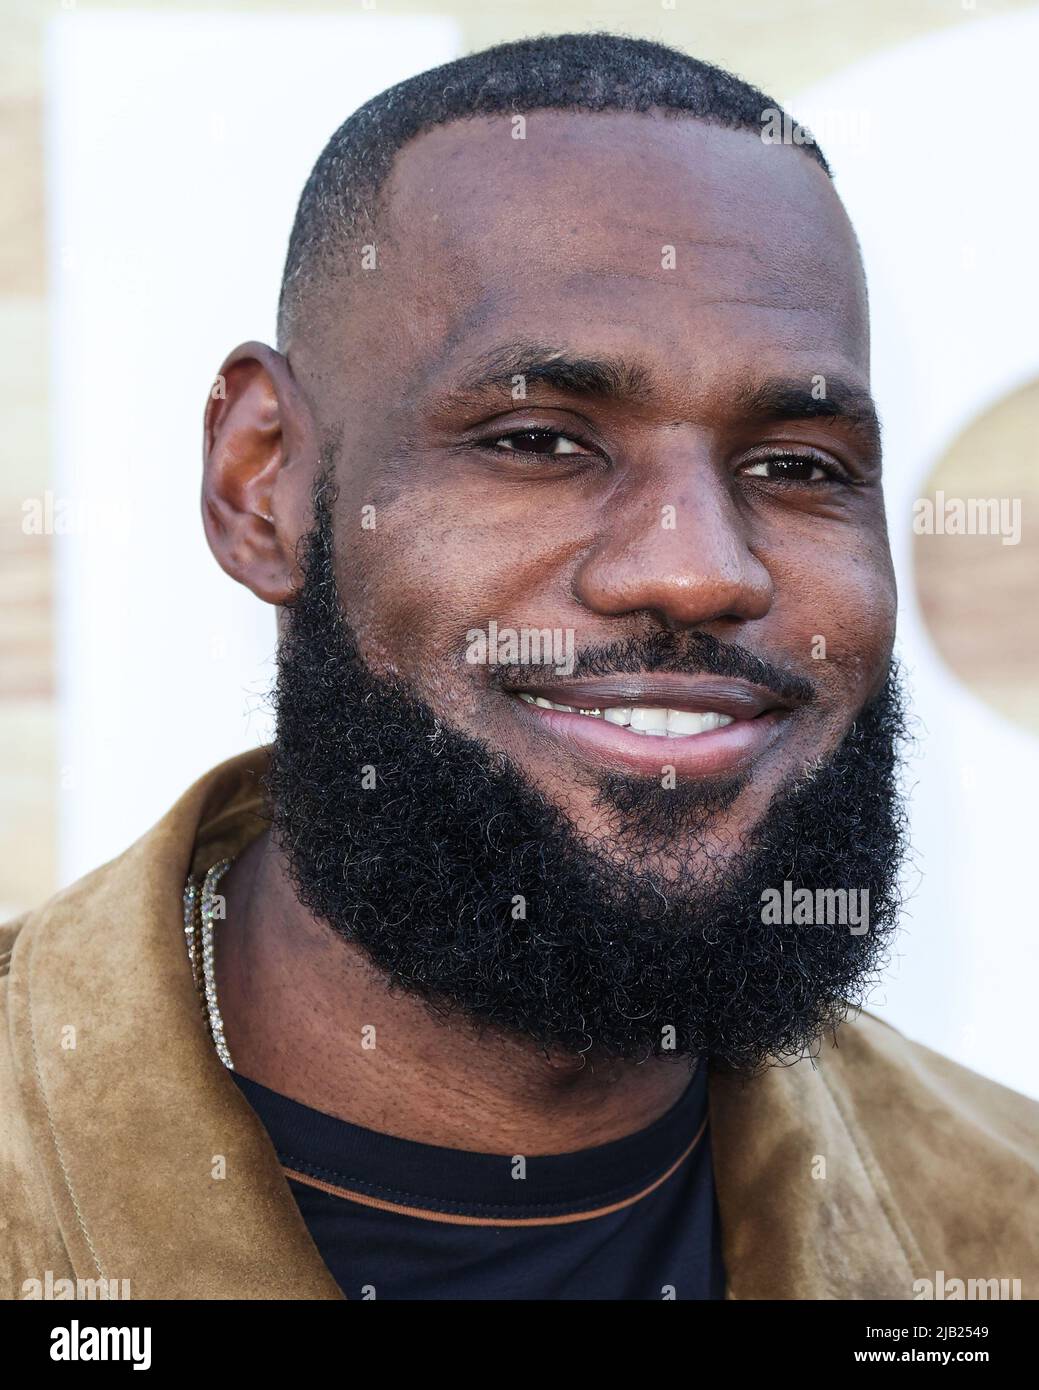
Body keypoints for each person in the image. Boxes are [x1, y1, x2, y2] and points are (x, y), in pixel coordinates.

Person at [3, 31, 1036, 1302]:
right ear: (260, 482)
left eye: (796, 467)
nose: (697, 571)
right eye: (540, 439)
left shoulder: (1006, 1227)